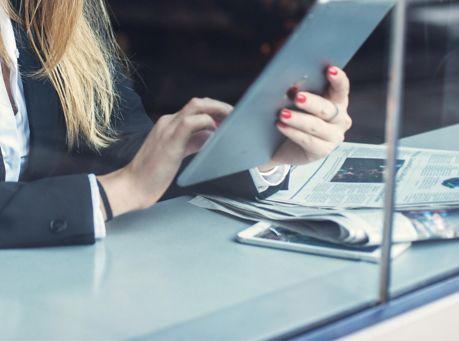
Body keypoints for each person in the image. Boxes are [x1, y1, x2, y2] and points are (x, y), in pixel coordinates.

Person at [0, 0, 352, 248]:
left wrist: (258, 150)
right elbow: (131, 178)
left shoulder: (49, 8)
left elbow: (115, 137)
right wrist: (121, 190)